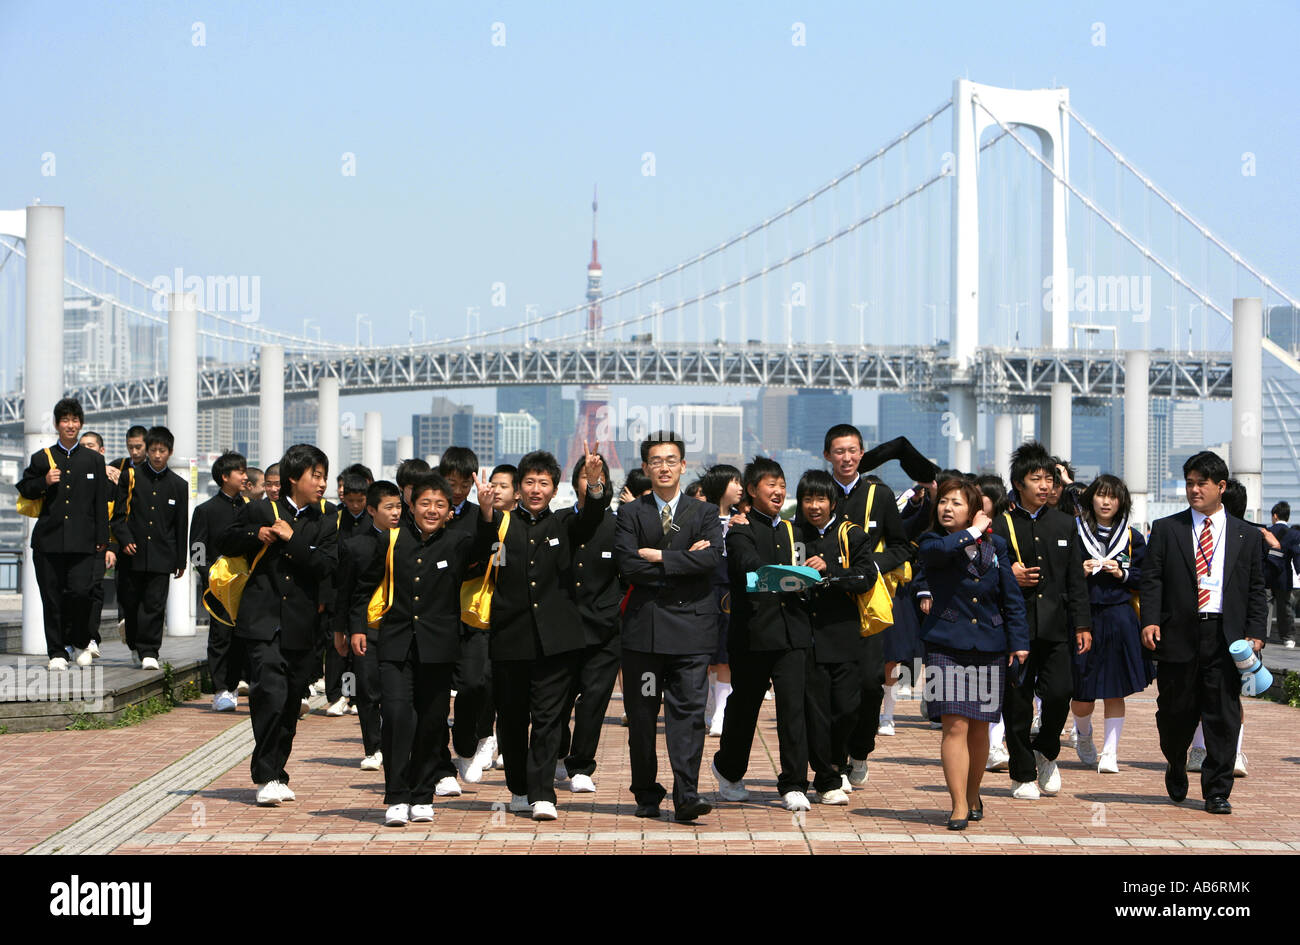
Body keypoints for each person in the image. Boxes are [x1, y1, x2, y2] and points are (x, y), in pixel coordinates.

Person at [350, 473, 494, 825]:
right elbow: (363, 586)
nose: (432, 510)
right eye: (425, 503)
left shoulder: (458, 543)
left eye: (440, 505)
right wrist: (356, 628)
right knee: (398, 718)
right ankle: (397, 796)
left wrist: (488, 513)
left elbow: (484, 549)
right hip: (395, 644)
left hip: (439, 648)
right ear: (410, 506)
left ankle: (422, 795)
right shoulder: (390, 540)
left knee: (431, 723)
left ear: (449, 512)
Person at [477, 446, 608, 820]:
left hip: (557, 641)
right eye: (530, 482)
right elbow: (480, 557)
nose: (536, 489)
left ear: (554, 489)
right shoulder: (501, 525)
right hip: (510, 639)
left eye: (544, 483)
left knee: (550, 719)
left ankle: (542, 792)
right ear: (518, 488)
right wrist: (486, 515)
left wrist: (595, 482)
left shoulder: (565, 524)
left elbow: (593, 515)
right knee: (513, 719)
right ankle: (519, 786)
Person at [1141, 452, 1266, 815]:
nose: (1194, 490)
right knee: (1175, 712)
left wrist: (1256, 633)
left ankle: (1216, 789)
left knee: (1222, 714)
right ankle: (1176, 761)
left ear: (1221, 487)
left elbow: (1258, 588)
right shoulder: (1167, 529)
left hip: (1226, 636)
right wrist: (1150, 620)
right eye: (1190, 483)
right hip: (1178, 633)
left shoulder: (1247, 534)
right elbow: (1152, 579)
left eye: (1202, 484)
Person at [614, 431, 723, 821]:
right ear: (646, 467)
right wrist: (682, 563)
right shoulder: (630, 513)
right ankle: (646, 791)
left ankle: (687, 794)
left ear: (683, 465)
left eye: (671, 459)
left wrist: (660, 556)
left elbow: (711, 561)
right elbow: (629, 567)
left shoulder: (704, 513)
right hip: (645, 636)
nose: (664, 467)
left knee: (689, 714)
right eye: (656, 461)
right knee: (642, 716)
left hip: (691, 634)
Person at [221, 444, 338, 806]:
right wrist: (255, 534)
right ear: (293, 478)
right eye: (314, 476)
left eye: (323, 477)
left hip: (302, 626)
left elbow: (327, 566)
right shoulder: (259, 509)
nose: (321, 484)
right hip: (262, 622)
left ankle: (277, 770)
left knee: (289, 702)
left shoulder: (326, 519)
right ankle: (267, 775)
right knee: (268, 694)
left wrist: (292, 539)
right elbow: (224, 540)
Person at [918, 478, 1029, 829]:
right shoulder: (933, 541)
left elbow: (1010, 596)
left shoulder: (996, 545)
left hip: (990, 643)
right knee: (954, 725)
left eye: (956, 503)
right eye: (943, 502)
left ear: (974, 510)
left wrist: (1019, 641)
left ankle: (973, 792)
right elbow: (937, 554)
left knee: (980, 729)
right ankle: (958, 806)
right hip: (944, 644)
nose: (947, 508)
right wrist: (971, 533)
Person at [711, 457, 816, 812]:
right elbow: (749, 572)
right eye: (770, 485)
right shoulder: (740, 530)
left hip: (792, 634)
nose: (778, 490)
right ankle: (728, 769)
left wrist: (811, 572)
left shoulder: (793, 530)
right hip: (753, 635)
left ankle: (793, 783)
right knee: (745, 708)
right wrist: (791, 575)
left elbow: (805, 571)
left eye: (782, 484)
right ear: (752, 490)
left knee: (793, 709)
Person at [993, 441, 1091, 800]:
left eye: (1049, 479)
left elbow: (1075, 580)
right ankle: (1022, 774)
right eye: (1037, 479)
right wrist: (1009, 574)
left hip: (1056, 627)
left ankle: (1046, 750)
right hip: (1013, 630)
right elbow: (984, 573)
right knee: (1016, 703)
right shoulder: (1000, 526)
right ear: (1019, 483)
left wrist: (1082, 624)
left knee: (1060, 692)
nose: (1046, 486)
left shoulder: (1065, 523)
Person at [822, 425, 912, 787]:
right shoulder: (818, 492)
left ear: (862, 453)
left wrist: (871, 566)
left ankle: (860, 751)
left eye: (852, 451)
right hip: (827, 607)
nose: (846, 458)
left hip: (869, 607)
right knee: (832, 690)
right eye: (839, 451)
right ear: (827, 455)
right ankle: (834, 762)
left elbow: (903, 546)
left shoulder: (880, 494)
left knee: (870, 685)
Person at [795, 469, 875, 804]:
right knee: (816, 711)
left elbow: (866, 576)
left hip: (843, 636)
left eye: (821, 499)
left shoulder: (851, 535)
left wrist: (830, 572)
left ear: (833, 502)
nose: (814, 506)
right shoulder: (792, 533)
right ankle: (826, 774)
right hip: (808, 636)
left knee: (847, 709)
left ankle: (839, 762)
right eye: (808, 499)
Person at [1069, 474, 1154, 773]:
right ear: (1091, 498)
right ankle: (1083, 733)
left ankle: (1110, 753)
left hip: (1119, 616)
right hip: (1083, 617)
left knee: (1115, 689)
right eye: (1101, 495)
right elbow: (1058, 576)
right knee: (1082, 695)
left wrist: (1123, 574)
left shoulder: (1133, 538)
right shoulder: (1074, 533)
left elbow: (1148, 578)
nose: (1106, 502)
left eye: (1113, 497)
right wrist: (1079, 570)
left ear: (1122, 502)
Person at [17, 398, 109, 670]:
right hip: (49, 542)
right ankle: (57, 652)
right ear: (57, 425)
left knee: (81, 594)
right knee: (52, 598)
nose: (71, 425)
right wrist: (44, 482)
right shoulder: (42, 458)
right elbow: (25, 488)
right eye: (65, 420)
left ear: (81, 424)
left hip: (84, 544)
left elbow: (100, 504)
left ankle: (80, 640)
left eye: (75, 420)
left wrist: (104, 542)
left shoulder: (93, 460)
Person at [554, 452, 622, 793]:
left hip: (605, 630)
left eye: (597, 478)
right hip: (563, 628)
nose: (591, 482)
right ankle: (556, 754)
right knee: (560, 699)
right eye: (584, 476)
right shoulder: (560, 521)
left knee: (594, 700)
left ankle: (582, 765)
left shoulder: (620, 525)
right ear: (573, 483)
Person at [438, 446, 497, 791]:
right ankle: (439, 768)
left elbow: (488, 553)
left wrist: (487, 515)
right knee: (432, 691)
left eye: (464, 483)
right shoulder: (432, 512)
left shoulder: (481, 514)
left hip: (473, 614)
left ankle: (464, 744)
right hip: (436, 614)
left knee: (475, 682)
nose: (457, 490)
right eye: (450, 482)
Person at [337, 480, 403, 772]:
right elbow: (346, 592)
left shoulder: (408, 542)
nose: (395, 512)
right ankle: (373, 747)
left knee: (396, 691)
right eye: (389, 507)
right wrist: (344, 630)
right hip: (366, 627)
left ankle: (395, 744)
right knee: (367, 688)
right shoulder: (355, 546)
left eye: (399, 506)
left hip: (399, 627)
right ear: (372, 510)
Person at [110, 425, 188, 671]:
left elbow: (180, 525)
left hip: (162, 555)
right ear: (147, 450)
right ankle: (134, 643)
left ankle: (150, 651)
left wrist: (181, 561)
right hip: (131, 554)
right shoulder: (130, 477)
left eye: (162, 451)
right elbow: (118, 516)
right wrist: (125, 539)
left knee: (154, 605)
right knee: (131, 603)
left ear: (170, 452)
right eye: (153, 450)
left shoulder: (179, 485)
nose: (157, 455)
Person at [191, 451, 249, 710]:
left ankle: (236, 685)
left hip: (245, 585)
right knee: (220, 636)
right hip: (218, 586)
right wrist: (208, 574)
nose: (245, 476)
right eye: (240, 471)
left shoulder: (249, 509)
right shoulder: (206, 510)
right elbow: (197, 548)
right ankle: (221, 690)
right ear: (225, 477)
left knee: (242, 637)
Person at [698, 464, 743, 736]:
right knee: (703, 654)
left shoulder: (742, 519)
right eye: (733, 482)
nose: (739, 488)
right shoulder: (700, 517)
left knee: (725, 654)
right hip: (703, 590)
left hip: (730, 592)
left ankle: (721, 713)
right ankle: (705, 706)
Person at [76, 430, 114, 661]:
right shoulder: (71, 475)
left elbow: (114, 516)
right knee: (74, 592)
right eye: (83, 446)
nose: (86, 450)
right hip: (73, 544)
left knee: (94, 591)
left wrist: (111, 546)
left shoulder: (111, 479)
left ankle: (90, 638)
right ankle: (75, 639)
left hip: (99, 545)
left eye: (91, 446)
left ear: (102, 451)